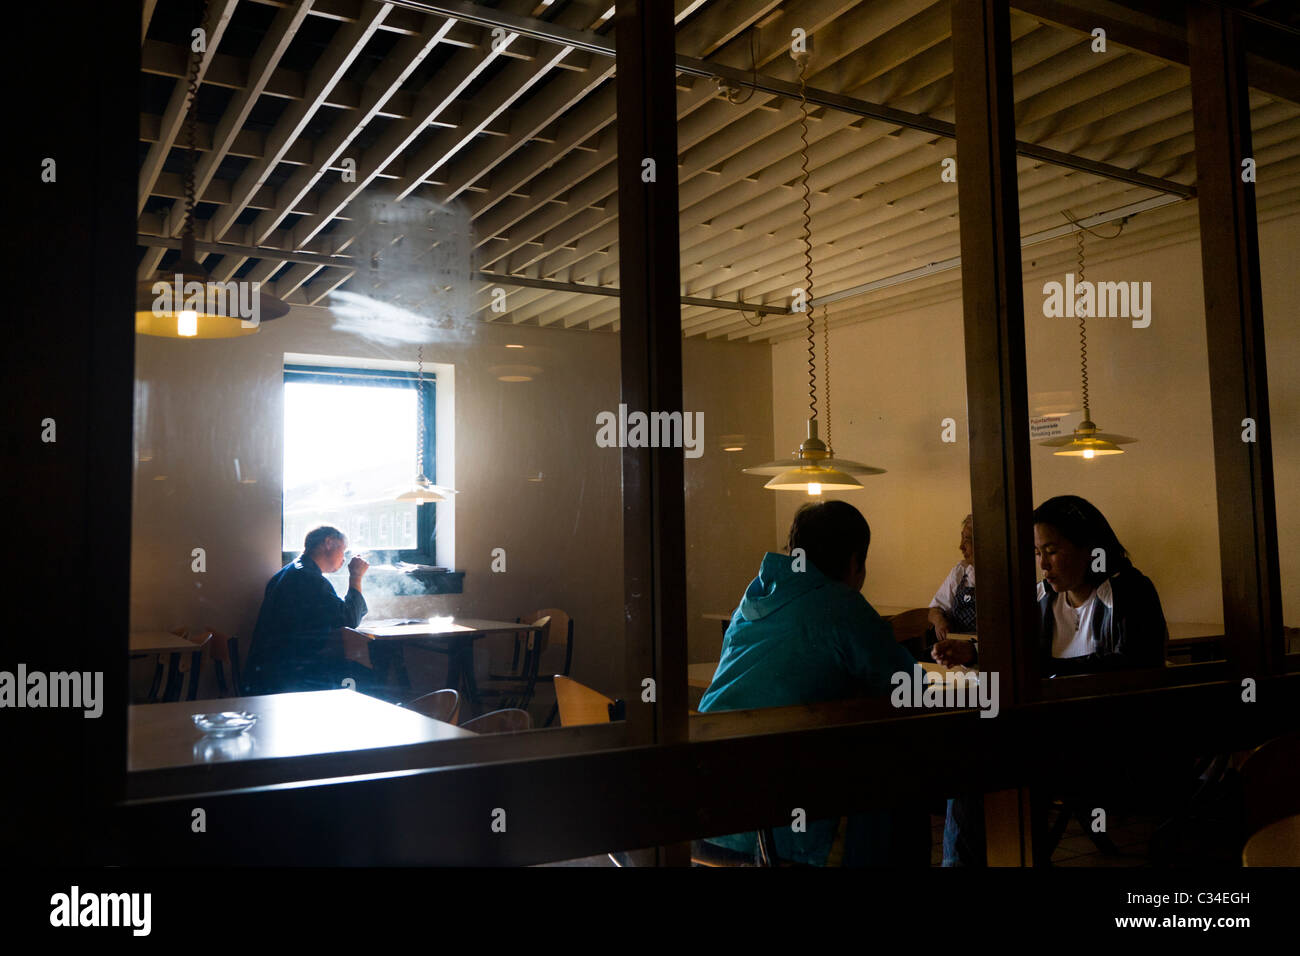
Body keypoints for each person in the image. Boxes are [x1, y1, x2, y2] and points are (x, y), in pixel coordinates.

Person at [929, 495, 1168, 865]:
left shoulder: (1130, 592)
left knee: (983, 759)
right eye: (1037, 552)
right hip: (1047, 736)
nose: (1042, 564)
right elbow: (1020, 653)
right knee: (973, 755)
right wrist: (975, 653)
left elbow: (1131, 668)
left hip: (1110, 743)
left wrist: (1046, 670)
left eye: (1052, 551)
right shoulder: (1043, 598)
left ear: (1090, 548)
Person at [698, 500, 923, 866]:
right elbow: (912, 689)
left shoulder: (751, 602)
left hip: (706, 804)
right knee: (896, 782)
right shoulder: (842, 605)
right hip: (778, 822)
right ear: (855, 562)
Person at [243, 526, 370, 695]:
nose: (344, 559)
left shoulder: (290, 572)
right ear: (329, 543)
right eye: (343, 550)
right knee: (370, 674)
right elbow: (349, 618)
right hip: (291, 674)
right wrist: (356, 577)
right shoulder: (308, 579)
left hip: (267, 671)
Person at [926, 514, 983, 867]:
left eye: (967, 539)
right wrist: (941, 622)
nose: (961, 546)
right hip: (958, 666)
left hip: (985, 670)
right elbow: (934, 608)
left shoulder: (1005, 573)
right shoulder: (959, 572)